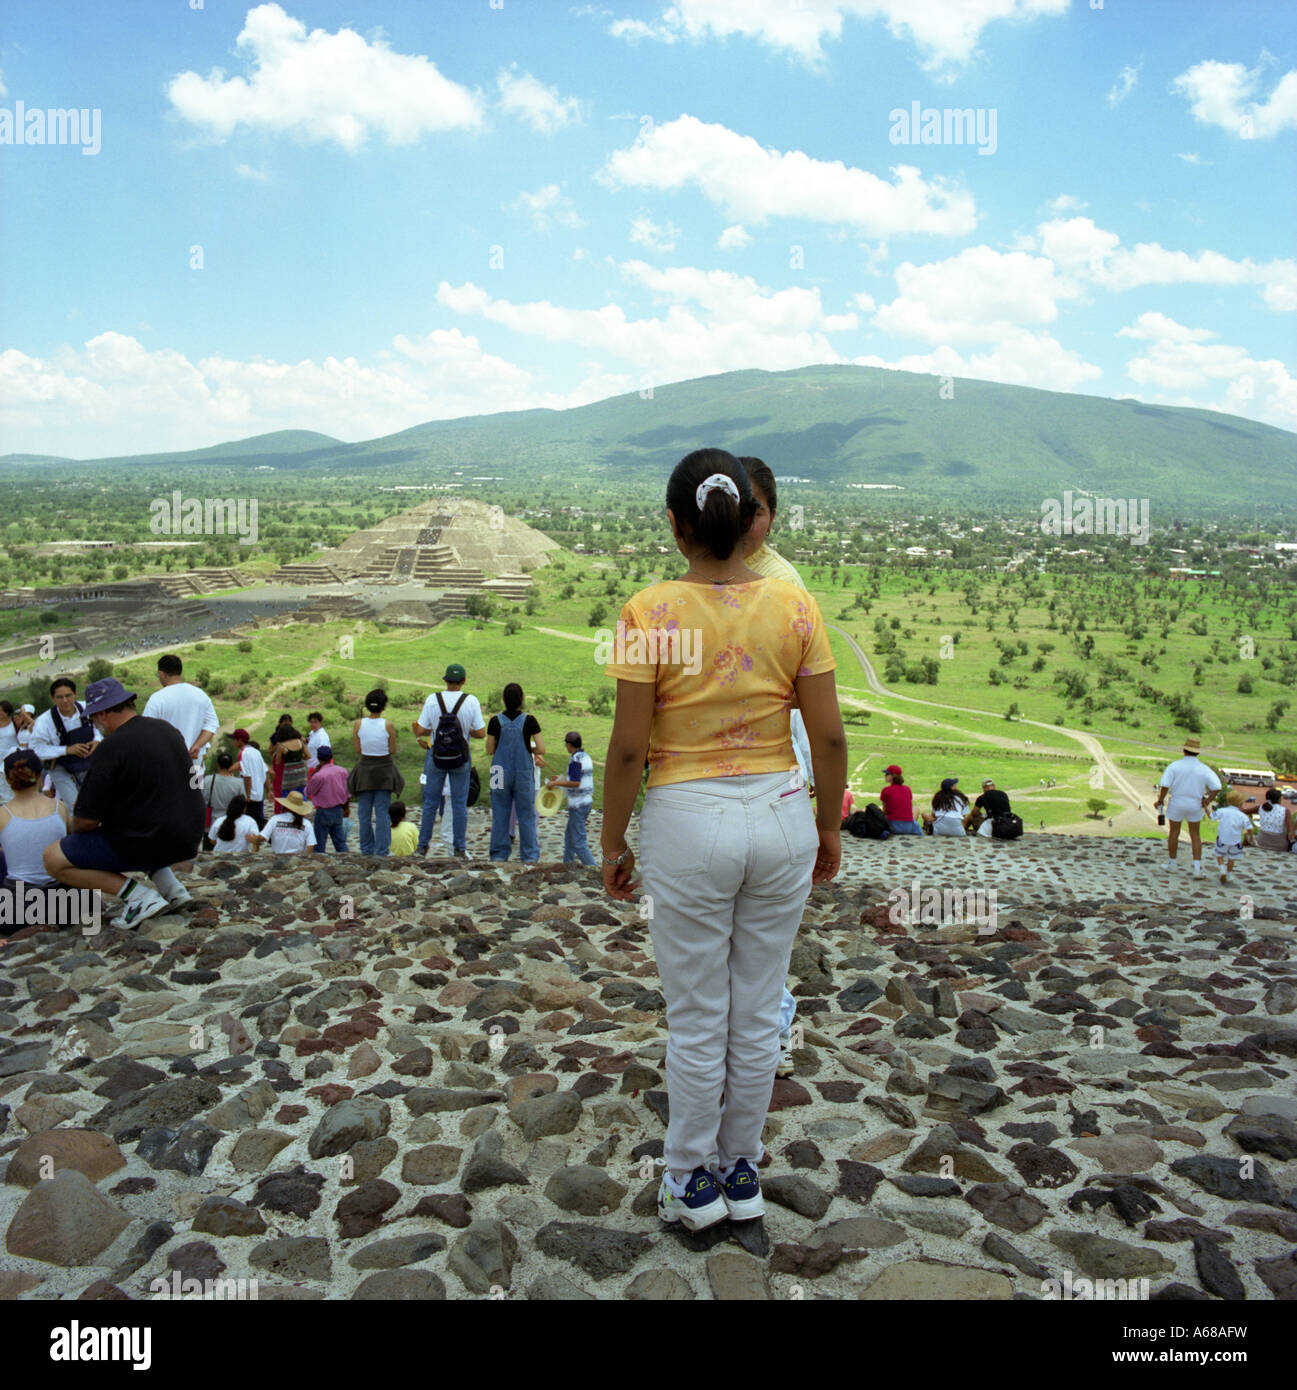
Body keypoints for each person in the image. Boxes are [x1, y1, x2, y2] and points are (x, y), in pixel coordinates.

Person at [602, 448, 844, 1232]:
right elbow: (830, 736)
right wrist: (828, 825)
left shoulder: (648, 613)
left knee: (700, 1011)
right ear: (750, 523)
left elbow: (629, 749)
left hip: (688, 817)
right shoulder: (795, 608)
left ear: (676, 526)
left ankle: (688, 1180)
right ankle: (741, 1169)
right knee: (756, 1007)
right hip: (779, 814)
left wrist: (611, 844)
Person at [739, 457, 815, 1080]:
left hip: (767, 755)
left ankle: (774, 1025)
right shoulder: (732, 572)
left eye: (755, 509)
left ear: (771, 515)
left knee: (757, 916)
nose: (742, 519)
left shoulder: (778, 585)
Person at [40, 678, 204, 929]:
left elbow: (86, 821)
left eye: (94, 717)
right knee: (139, 822)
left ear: (104, 713)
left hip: (149, 839)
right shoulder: (168, 730)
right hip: (189, 836)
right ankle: (173, 889)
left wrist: (65, 830)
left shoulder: (111, 747)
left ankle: (138, 898)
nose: (95, 723)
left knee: (53, 858)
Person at [413, 664, 485, 857]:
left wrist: (434, 729)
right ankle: (459, 847)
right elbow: (480, 733)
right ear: (463, 681)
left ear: (445, 680)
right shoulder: (471, 701)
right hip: (460, 757)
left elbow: (420, 730)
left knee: (430, 802)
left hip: (436, 755)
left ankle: (422, 845)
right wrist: (465, 729)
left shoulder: (432, 700)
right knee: (459, 803)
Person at [0, 750, 71, 930]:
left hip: (15, 911)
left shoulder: (2, 814)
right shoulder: (59, 807)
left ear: (8, 780)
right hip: (64, 907)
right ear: (40, 775)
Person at [486, 684, 544, 862]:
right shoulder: (530, 720)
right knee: (526, 814)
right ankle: (530, 856)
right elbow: (541, 748)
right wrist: (530, 749)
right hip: (523, 772)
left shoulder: (495, 721)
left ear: (503, 699)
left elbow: (489, 750)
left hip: (498, 772)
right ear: (522, 698)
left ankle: (498, 855)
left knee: (500, 813)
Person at [30, 676, 102, 811]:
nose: (65, 700)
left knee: (99, 799)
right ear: (52, 698)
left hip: (90, 760)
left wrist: (97, 740)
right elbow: (35, 749)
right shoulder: (44, 721)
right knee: (75, 806)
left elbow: (102, 727)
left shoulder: (89, 709)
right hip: (60, 766)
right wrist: (67, 750)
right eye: (59, 697)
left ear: (75, 694)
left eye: (68, 695)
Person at [1153, 737, 1221, 877]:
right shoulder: (1203, 768)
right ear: (1197, 753)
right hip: (1195, 803)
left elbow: (1165, 785)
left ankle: (1172, 863)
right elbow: (1217, 786)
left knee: (1174, 833)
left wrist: (1160, 800)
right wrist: (1207, 801)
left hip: (1177, 801)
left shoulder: (1175, 766)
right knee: (1195, 834)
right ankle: (1197, 868)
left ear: (1184, 750)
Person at [142, 655, 220, 770]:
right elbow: (213, 725)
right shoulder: (200, 694)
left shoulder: (157, 699)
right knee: (195, 788)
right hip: (195, 764)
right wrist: (197, 745)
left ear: (162, 674)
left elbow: (145, 733)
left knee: (171, 788)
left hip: (167, 766)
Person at [349, 689, 402, 856]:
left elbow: (358, 749)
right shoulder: (388, 725)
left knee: (364, 813)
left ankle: (366, 849)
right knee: (382, 814)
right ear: (383, 706)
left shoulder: (358, 724)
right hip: (384, 770)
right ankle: (381, 850)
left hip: (364, 769)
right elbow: (392, 750)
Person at [546, 731, 597, 866]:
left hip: (578, 805)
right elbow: (577, 778)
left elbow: (575, 782)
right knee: (569, 837)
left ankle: (594, 868)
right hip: (587, 802)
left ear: (569, 745)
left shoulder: (575, 759)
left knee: (579, 843)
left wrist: (555, 783)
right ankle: (567, 865)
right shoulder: (585, 756)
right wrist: (561, 779)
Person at [305, 747, 349, 853]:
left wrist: (312, 775)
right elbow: (347, 792)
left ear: (318, 759)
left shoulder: (319, 775)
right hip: (338, 809)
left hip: (323, 811)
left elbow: (308, 792)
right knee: (340, 841)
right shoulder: (342, 771)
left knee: (319, 844)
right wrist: (346, 808)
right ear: (331, 757)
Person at [1211, 797, 1253, 885]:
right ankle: (1229, 874)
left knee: (1219, 855)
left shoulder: (1222, 811)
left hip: (1223, 838)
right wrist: (1251, 837)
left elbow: (1212, 817)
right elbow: (1249, 828)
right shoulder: (1242, 815)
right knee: (1232, 858)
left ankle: (1222, 869)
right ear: (1240, 804)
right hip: (1236, 841)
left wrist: (1207, 811)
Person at [232, 729, 268, 828]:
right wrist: (267, 789)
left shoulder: (244, 753)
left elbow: (247, 775)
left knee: (254, 823)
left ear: (240, 740)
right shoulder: (256, 751)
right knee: (258, 820)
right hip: (259, 791)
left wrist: (247, 795)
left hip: (251, 794)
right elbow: (264, 771)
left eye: (234, 739)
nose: (233, 742)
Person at [202, 751, 244, 829]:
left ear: (217, 764)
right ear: (231, 765)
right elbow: (242, 804)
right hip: (231, 824)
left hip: (211, 823)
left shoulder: (207, 780)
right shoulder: (239, 783)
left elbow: (201, 799)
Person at [880, 765, 922, 834]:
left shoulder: (886, 790)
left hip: (892, 826)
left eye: (887, 774)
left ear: (893, 776)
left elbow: (885, 810)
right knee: (915, 809)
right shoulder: (907, 789)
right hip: (908, 827)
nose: (885, 775)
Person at [271, 722, 309, 800]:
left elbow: (277, 762)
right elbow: (308, 756)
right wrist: (300, 758)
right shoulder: (300, 742)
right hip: (301, 773)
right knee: (301, 796)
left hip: (289, 775)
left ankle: (288, 811)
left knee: (288, 797)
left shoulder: (281, 746)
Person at [268, 713, 293, 803]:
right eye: (284, 724)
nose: (286, 726)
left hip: (290, 763)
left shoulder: (293, 734)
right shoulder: (275, 736)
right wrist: (278, 747)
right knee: (278, 786)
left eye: (288, 724)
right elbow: (270, 752)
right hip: (279, 764)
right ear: (280, 723)